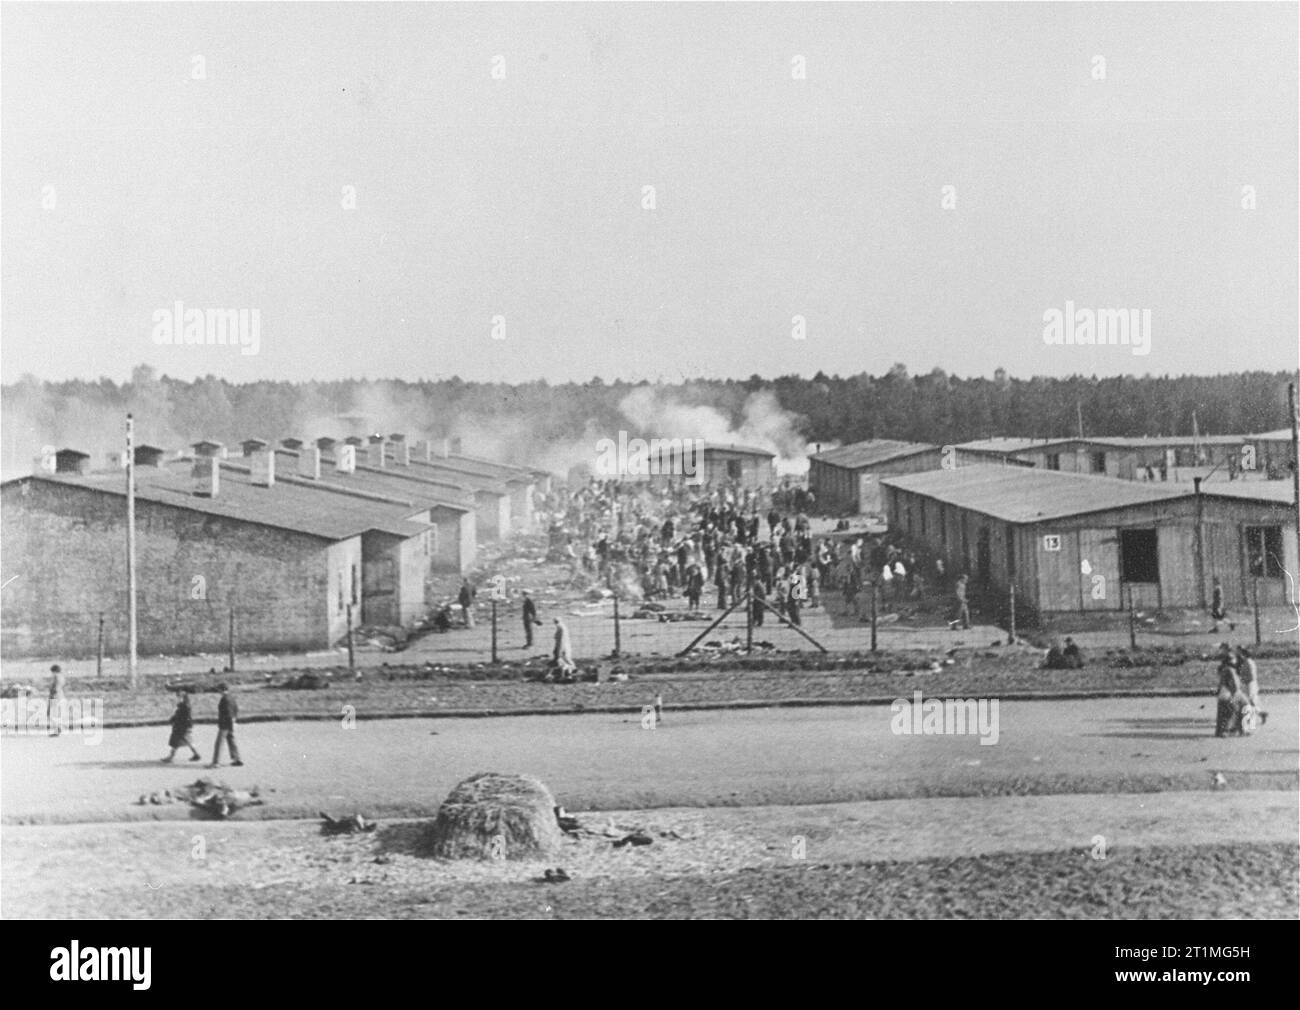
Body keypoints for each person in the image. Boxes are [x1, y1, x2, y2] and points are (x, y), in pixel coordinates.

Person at [163, 688, 202, 762]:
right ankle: (196, 754)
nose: (178, 697)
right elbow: (179, 713)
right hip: (183, 726)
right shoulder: (184, 704)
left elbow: (183, 715)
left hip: (182, 726)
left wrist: (175, 720)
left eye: (179, 695)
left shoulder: (185, 705)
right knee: (186, 741)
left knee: (176, 741)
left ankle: (171, 757)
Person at [210, 683, 243, 767]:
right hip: (230, 723)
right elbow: (236, 709)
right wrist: (234, 721)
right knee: (231, 741)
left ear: (222, 690)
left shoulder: (225, 699)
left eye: (219, 690)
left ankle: (216, 762)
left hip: (225, 724)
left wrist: (231, 723)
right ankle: (237, 759)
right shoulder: (231, 697)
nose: (218, 691)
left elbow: (228, 713)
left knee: (219, 743)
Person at [1214, 644, 1244, 738]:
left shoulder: (1223, 669)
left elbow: (1221, 683)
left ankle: (1221, 731)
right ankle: (1233, 730)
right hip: (1229, 694)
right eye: (1232, 660)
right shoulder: (1230, 670)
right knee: (1234, 711)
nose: (1235, 661)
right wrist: (1236, 693)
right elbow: (1233, 684)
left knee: (1222, 714)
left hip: (1222, 694)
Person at [1236, 646, 1267, 730]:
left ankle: (1254, 717)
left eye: (1241, 654)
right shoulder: (1248, 661)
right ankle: (1260, 714)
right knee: (1250, 702)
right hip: (1249, 684)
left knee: (1250, 701)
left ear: (1244, 654)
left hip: (1250, 684)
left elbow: (1251, 676)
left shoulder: (1248, 662)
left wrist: (1243, 679)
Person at [47, 664, 65, 737]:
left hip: (55, 697)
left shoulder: (56, 677)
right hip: (60, 696)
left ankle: (58, 728)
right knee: (55, 714)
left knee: (51, 714)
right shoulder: (61, 677)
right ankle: (58, 728)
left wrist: (52, 696)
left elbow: (55, 688)